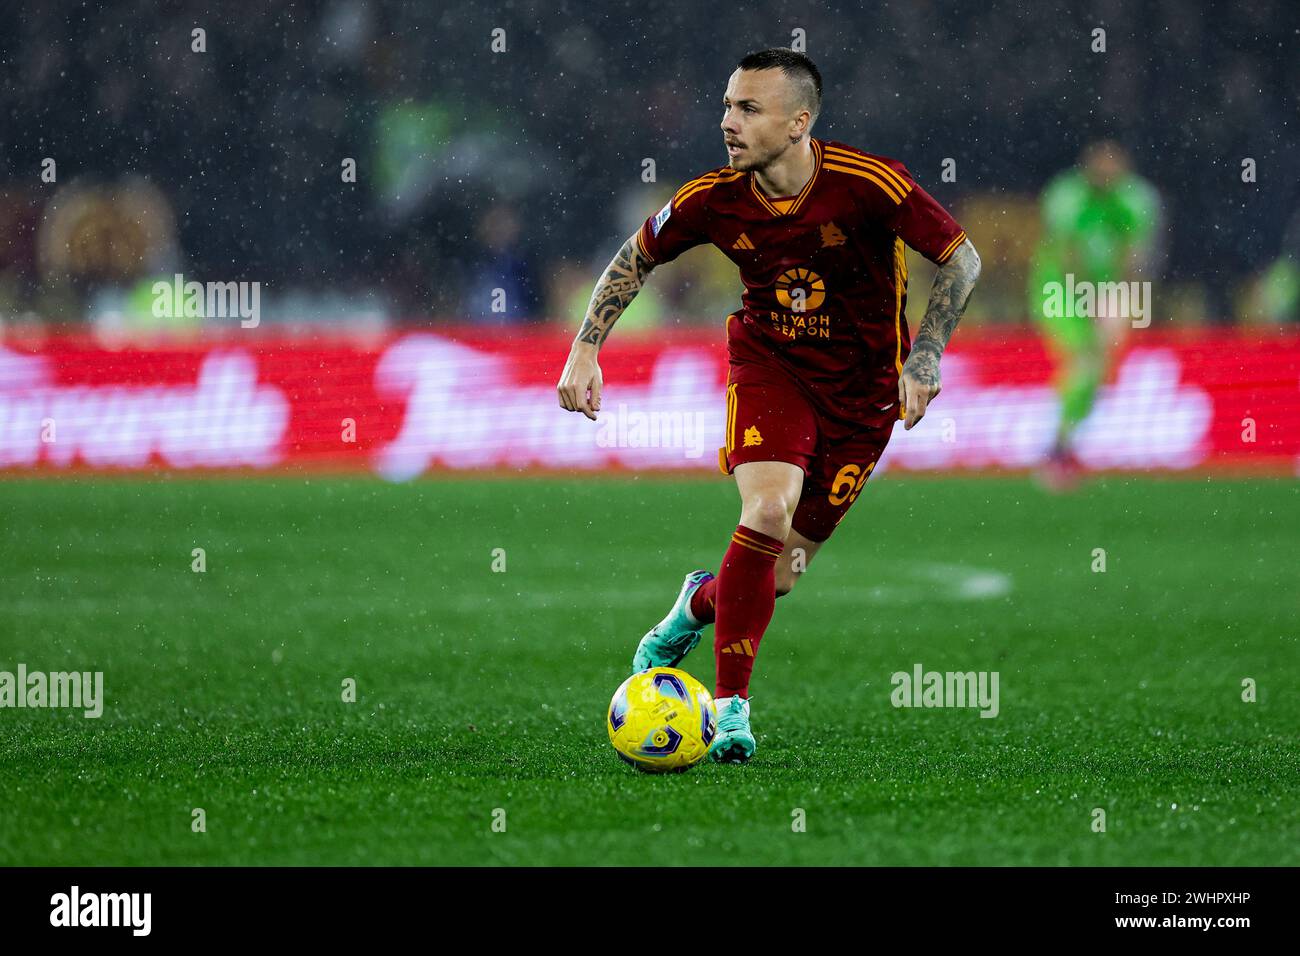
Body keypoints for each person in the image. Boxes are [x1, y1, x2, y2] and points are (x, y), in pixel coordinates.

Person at [556, 48, 981, 762]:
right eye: (727, 105)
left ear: (798, 123)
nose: (728, 122)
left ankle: (697, 603)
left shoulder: (867, 184)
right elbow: (636, 257)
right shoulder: (712, 199)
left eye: (748, 109)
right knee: (766, 511)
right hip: (771, 368)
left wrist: (926, 356)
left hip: (863, 397)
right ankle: (731, 711)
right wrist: (584, 347)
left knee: (780, 572)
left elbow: (961, 259)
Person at [1029, 141, 1160, 488]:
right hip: (1059, 290)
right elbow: (1068, 256)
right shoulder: (1067, 196)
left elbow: (1136, 257)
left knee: (1097, 368)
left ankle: (1063, 443)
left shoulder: (1135, 200)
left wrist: (1122, 302)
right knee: (1086, 359)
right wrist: (1092, 306)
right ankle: (1056, 450)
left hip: (1105, 289)